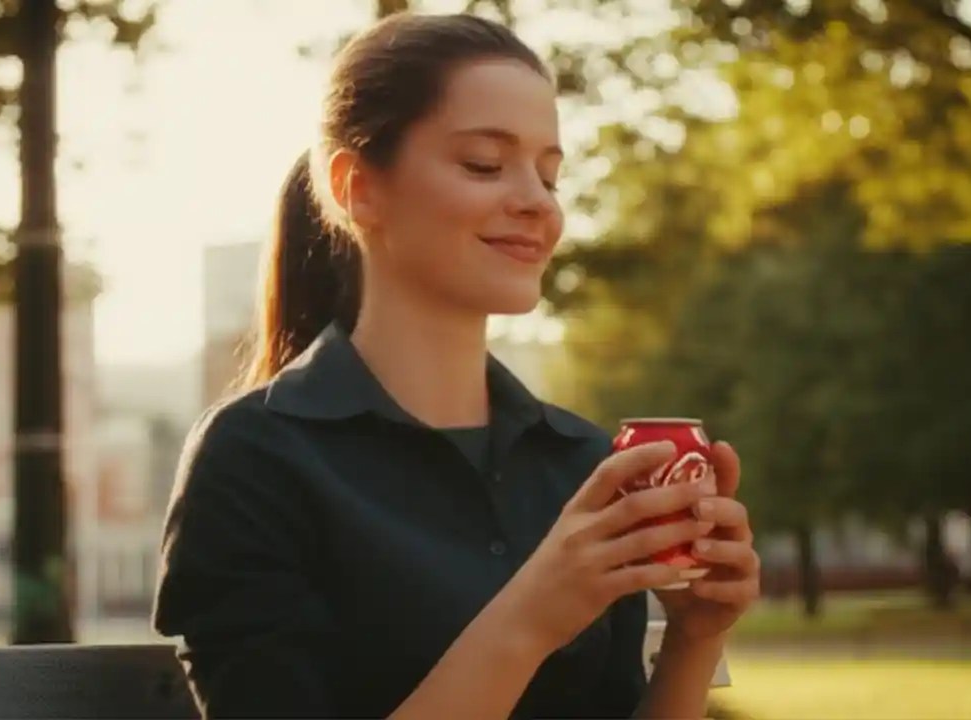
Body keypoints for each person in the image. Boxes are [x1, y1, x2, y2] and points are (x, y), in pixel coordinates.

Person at [152, 12, 759, 720]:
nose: (536, 202)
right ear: (357, 187)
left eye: (550, 175)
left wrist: (694, 636)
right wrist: (533, 617)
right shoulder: (255, 458)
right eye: (484, 165)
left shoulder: (582, 463)